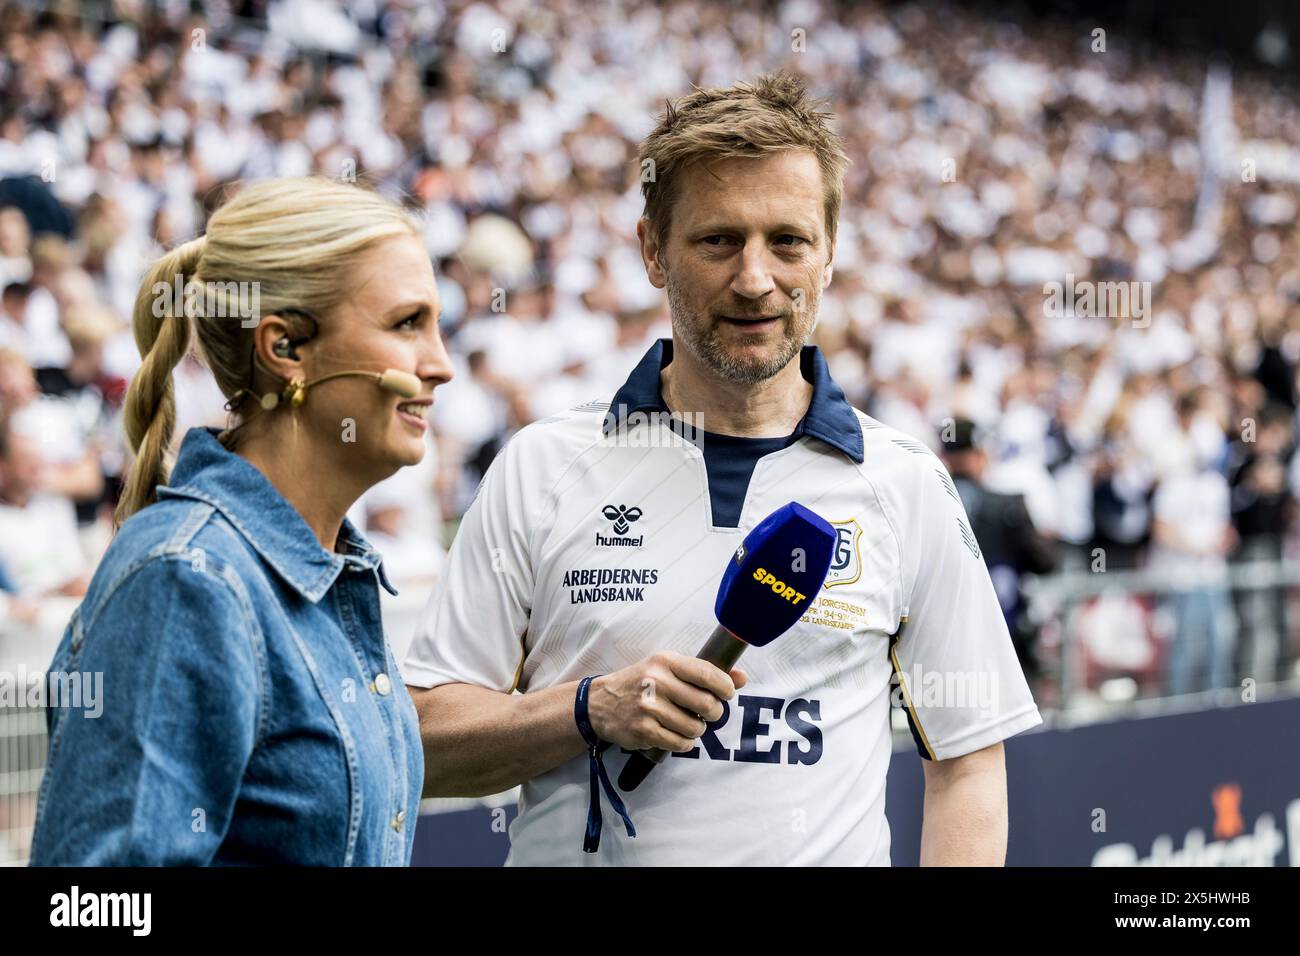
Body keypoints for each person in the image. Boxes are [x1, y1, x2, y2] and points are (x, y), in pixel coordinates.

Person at [405, 74, 1041, 866]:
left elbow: (969, 764)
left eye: (788, 241)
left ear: (829, 253)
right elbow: (424, 745)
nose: (754, 279)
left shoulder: (905, 484)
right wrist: (587, 710)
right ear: (652, 250)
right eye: (718, 240)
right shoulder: (541, 467)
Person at [30, 176, 454, 865]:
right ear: (284, 349)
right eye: (407, 324)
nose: (441, 365)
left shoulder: (322, 569)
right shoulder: (187, 580)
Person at [939, 418, 1058, 679]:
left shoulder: (931, 506)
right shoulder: (1008, 506)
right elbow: (1047, 563)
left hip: (945, 645)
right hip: (1003, 641)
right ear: (978, 455)